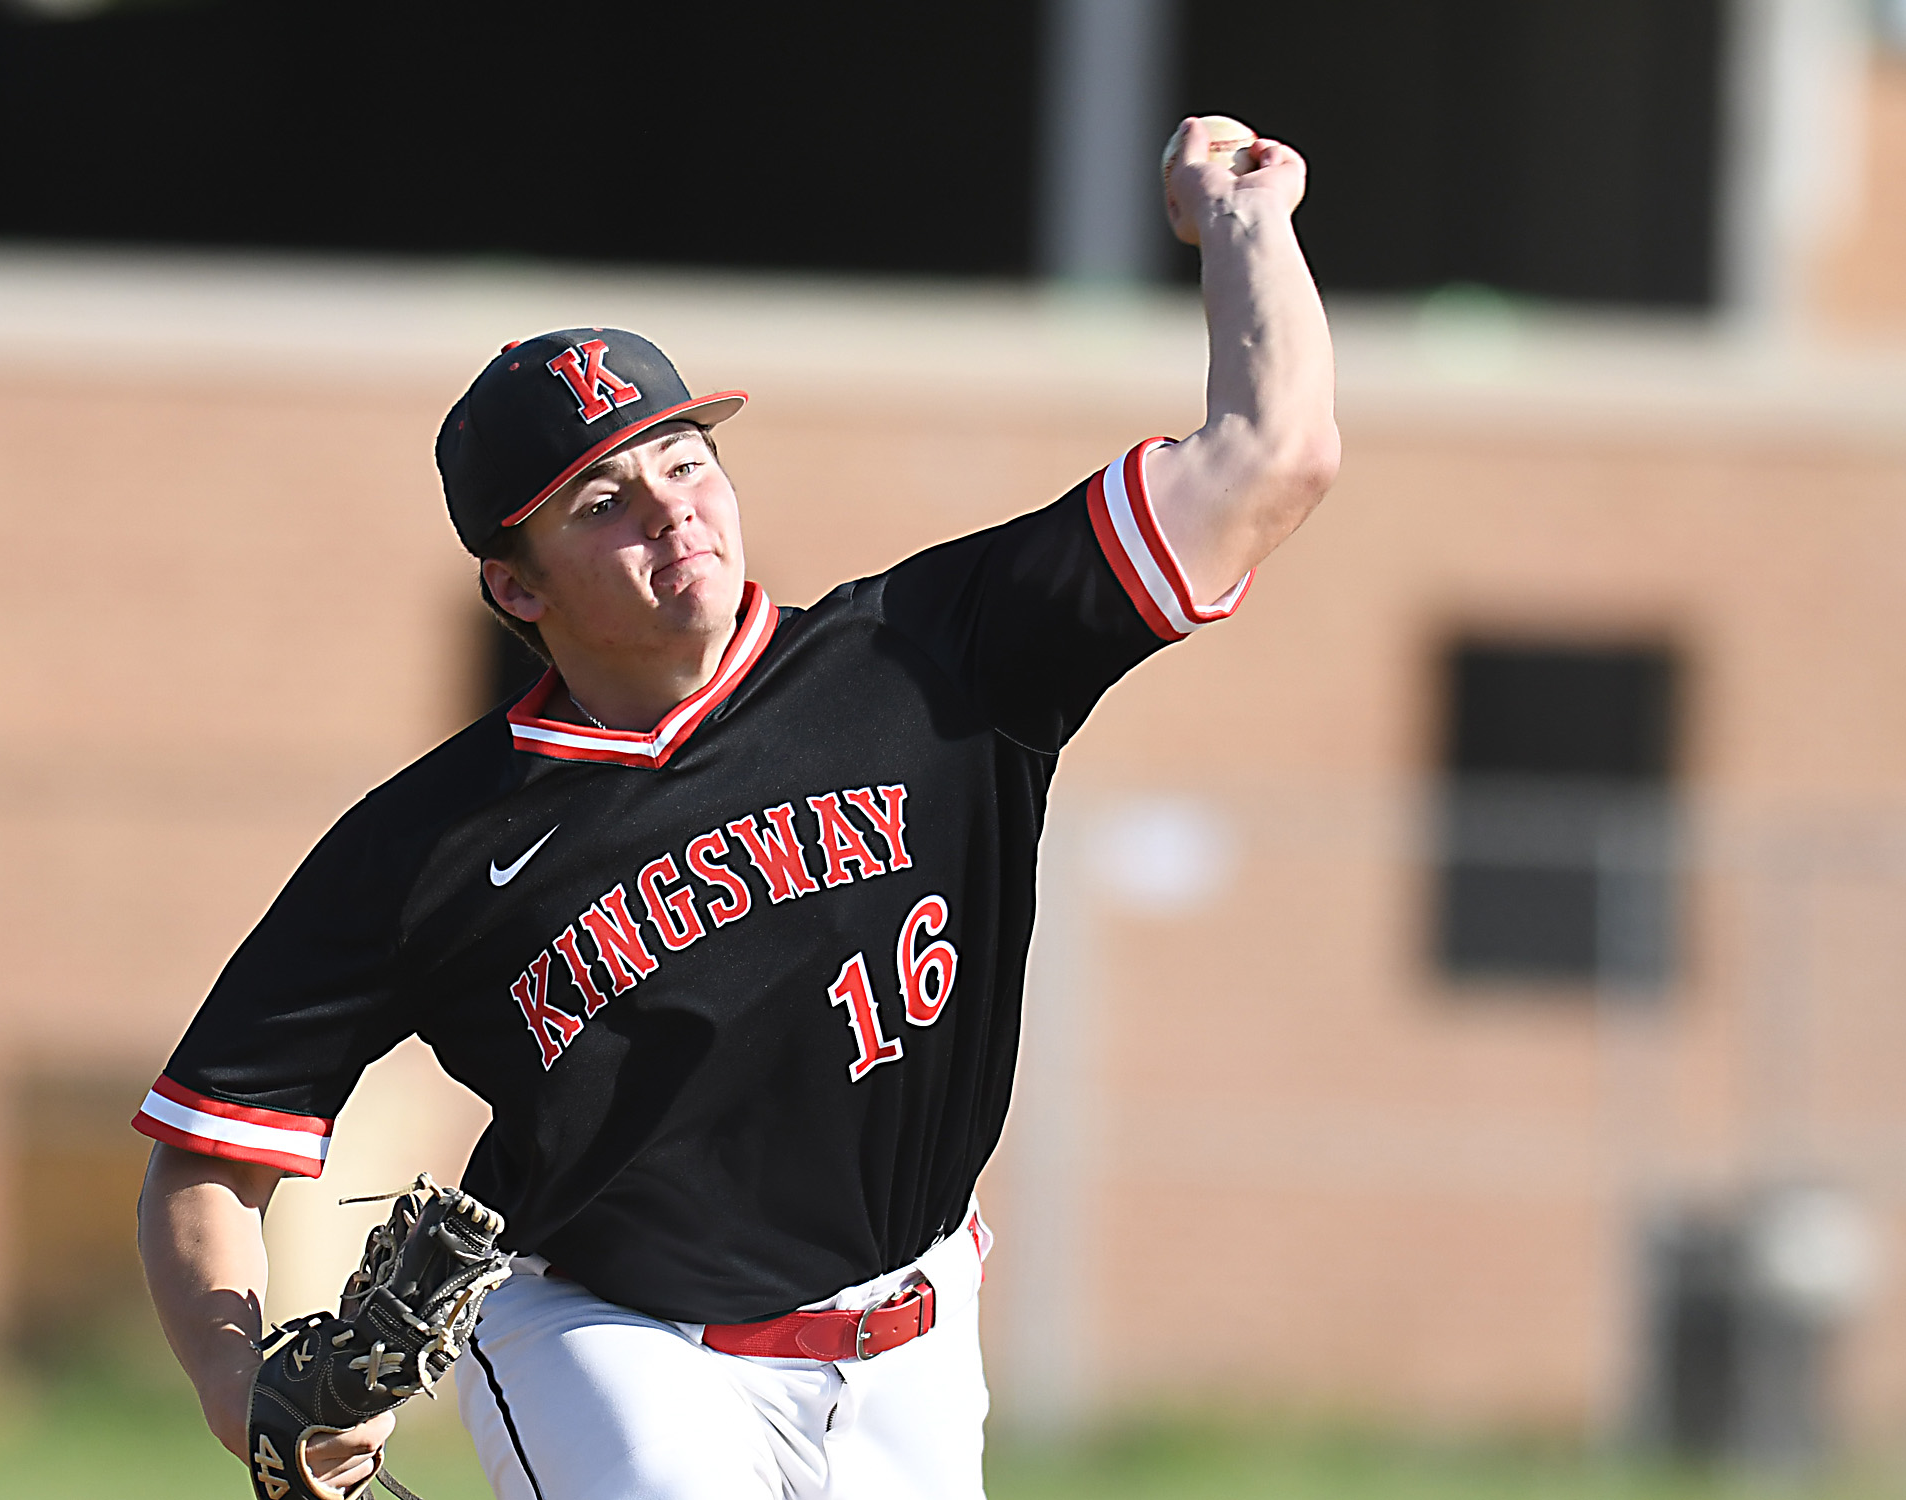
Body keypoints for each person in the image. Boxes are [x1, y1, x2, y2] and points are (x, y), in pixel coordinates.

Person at [135, 117, 1338, 1500]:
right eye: (603, 500)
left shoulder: (936, 657)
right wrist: (245, 1389)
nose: (671, 510)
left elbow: (1276, 455)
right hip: (614, 1336)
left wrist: (1246, 223)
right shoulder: (432, 844)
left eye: (685, 458)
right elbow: (206, 1147)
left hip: (915, 1339)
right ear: (517, 591)